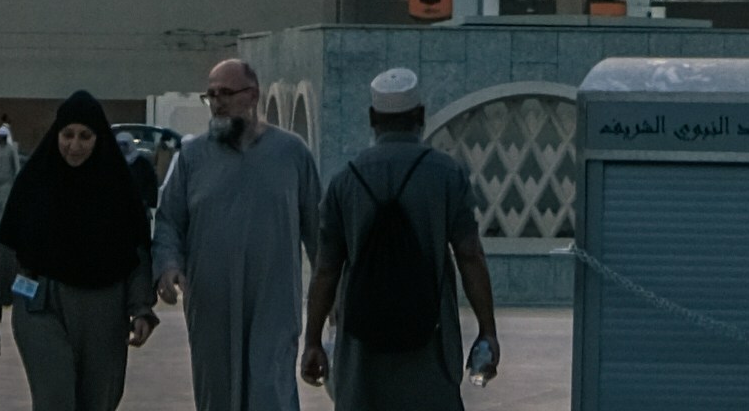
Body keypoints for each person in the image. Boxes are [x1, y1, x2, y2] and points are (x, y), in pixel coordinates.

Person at [297, 73, 495, 411]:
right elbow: (469, 255)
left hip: (362, 346)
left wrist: (313, 341)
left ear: (373, 119)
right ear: (420, 116)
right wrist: (487, 331)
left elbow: (326, 271)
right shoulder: (447, 174)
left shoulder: (345, 179)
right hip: (429, 341)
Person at [148, 67, 319, 411]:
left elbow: (319, 232)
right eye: (211, 95)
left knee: (270, 392)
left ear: (252, 96)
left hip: (273, 301)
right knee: (217, 394)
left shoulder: (291, 153)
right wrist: (168, 268)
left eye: (226, 93)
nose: (217, 103)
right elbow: (169, 223)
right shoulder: (191, 157)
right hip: (211, 305)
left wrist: (331, 299)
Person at [0, 91, 151, 411]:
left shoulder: (118, 189)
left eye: (85, 136)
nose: (74, 145)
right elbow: (9, 246)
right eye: (67, 135)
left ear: (99, 139)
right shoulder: (34, 183)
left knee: (97, 402)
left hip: (104, 310)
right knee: (54, 400)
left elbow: (137, 252)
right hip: (40, 303)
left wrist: (140, 307)